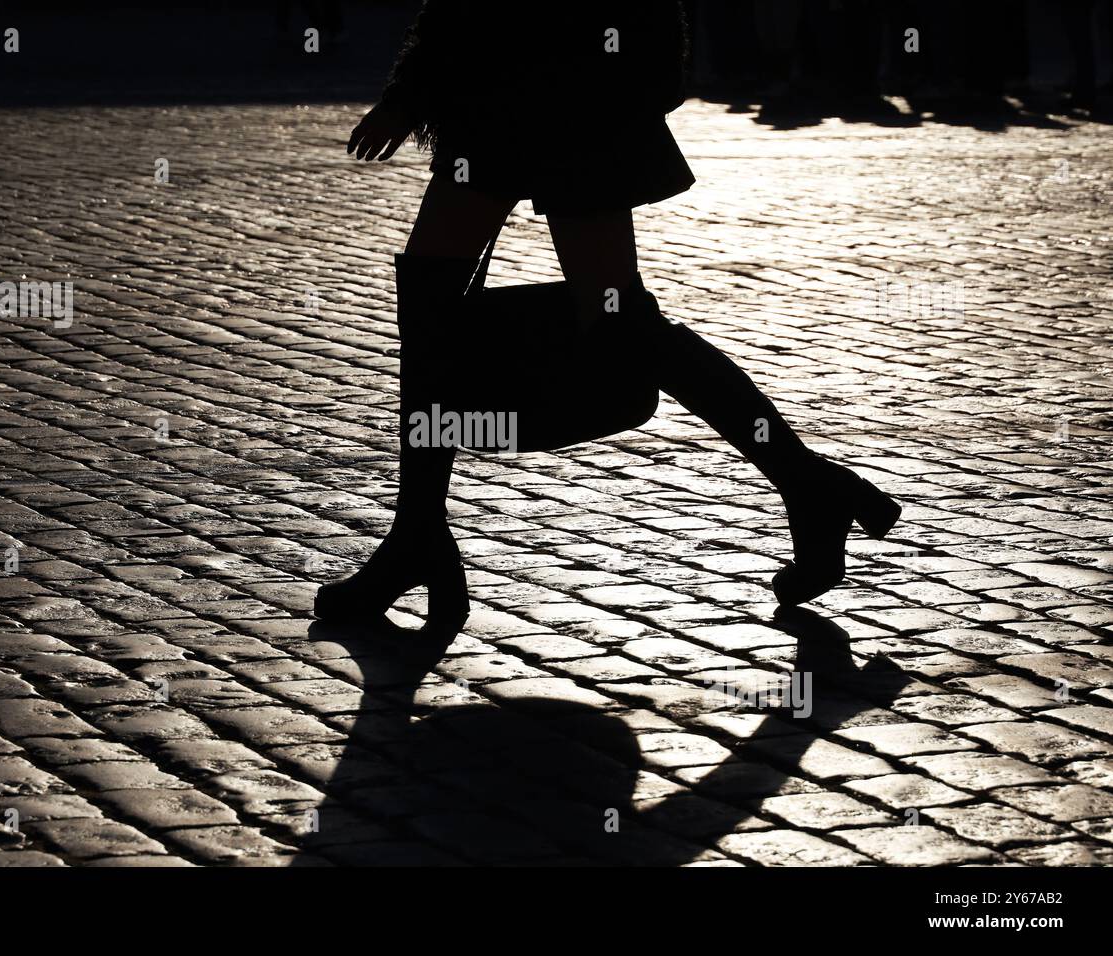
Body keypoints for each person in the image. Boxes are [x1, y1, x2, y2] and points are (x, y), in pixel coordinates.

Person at [315, 0, 900, 632]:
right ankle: (416, 535)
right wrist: (416, 89)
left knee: (611, 320)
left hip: (573, 101)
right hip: (512, 96)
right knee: (438, 314)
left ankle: (808, 486)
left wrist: (612, 83)